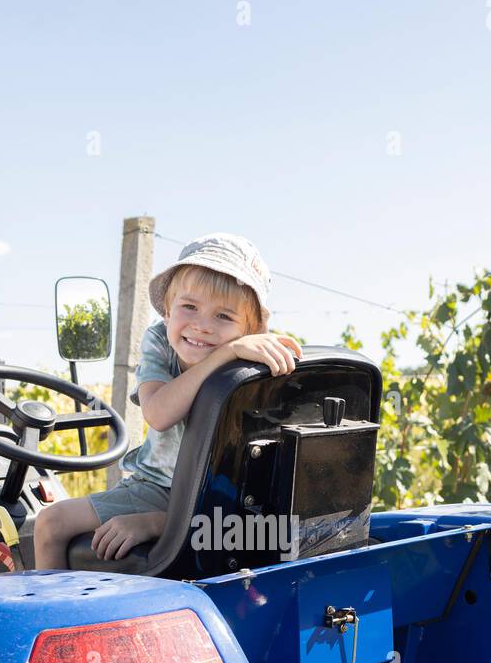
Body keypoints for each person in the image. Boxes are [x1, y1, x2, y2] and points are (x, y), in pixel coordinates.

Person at [33, 233, 301, 568]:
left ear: (250, 330)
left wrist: (231, 355)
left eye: (224, 317)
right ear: (168, 311)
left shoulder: (253, 364)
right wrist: (224, 355)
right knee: (51, 522)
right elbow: (158, 412)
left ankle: (157, 524)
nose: (202, 326)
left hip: (222, 500)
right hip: (161, 487)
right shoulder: (160, 341)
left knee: (47, 523)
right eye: (189, 307)